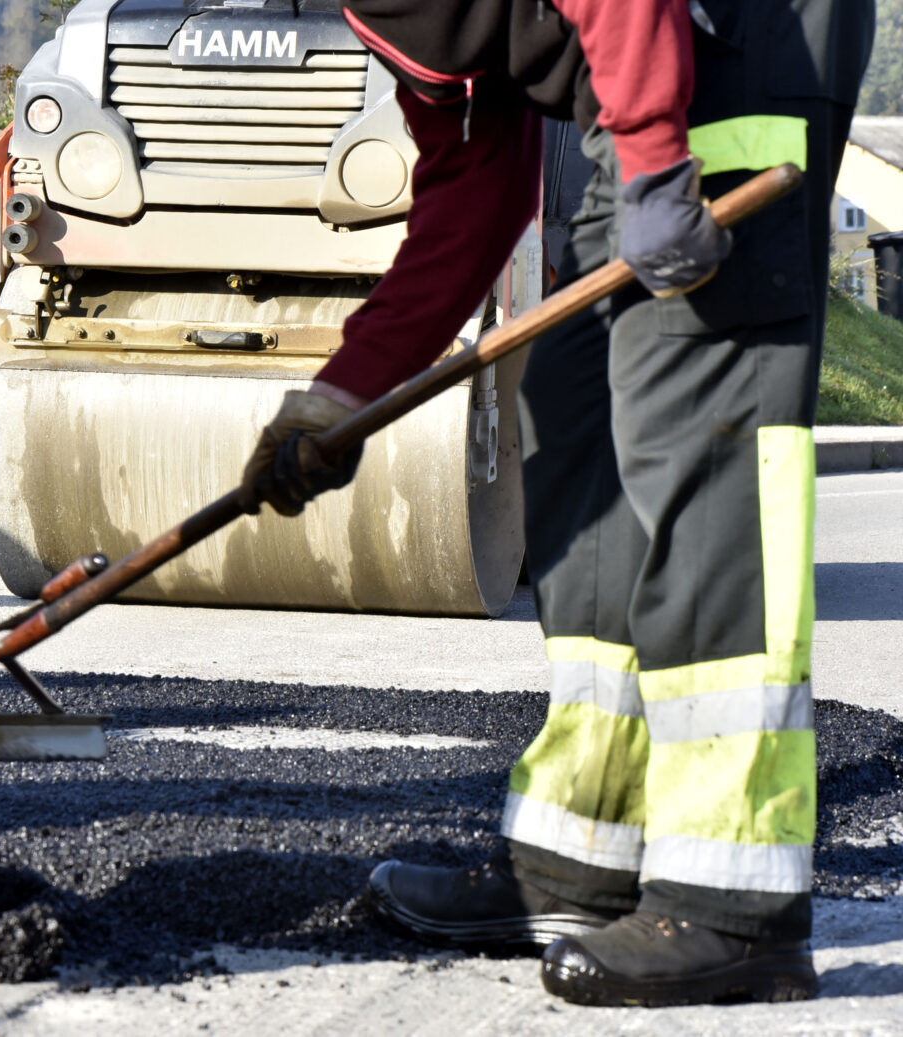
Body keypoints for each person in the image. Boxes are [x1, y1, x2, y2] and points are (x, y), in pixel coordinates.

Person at [240, 0, 874, 1008]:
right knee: (574, 420)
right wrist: (345, 395)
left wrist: (661, 167)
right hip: (634, 80)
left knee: (693, 430)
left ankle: (733, 903)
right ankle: (578, 857)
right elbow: (473, 189)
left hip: (742, 40)